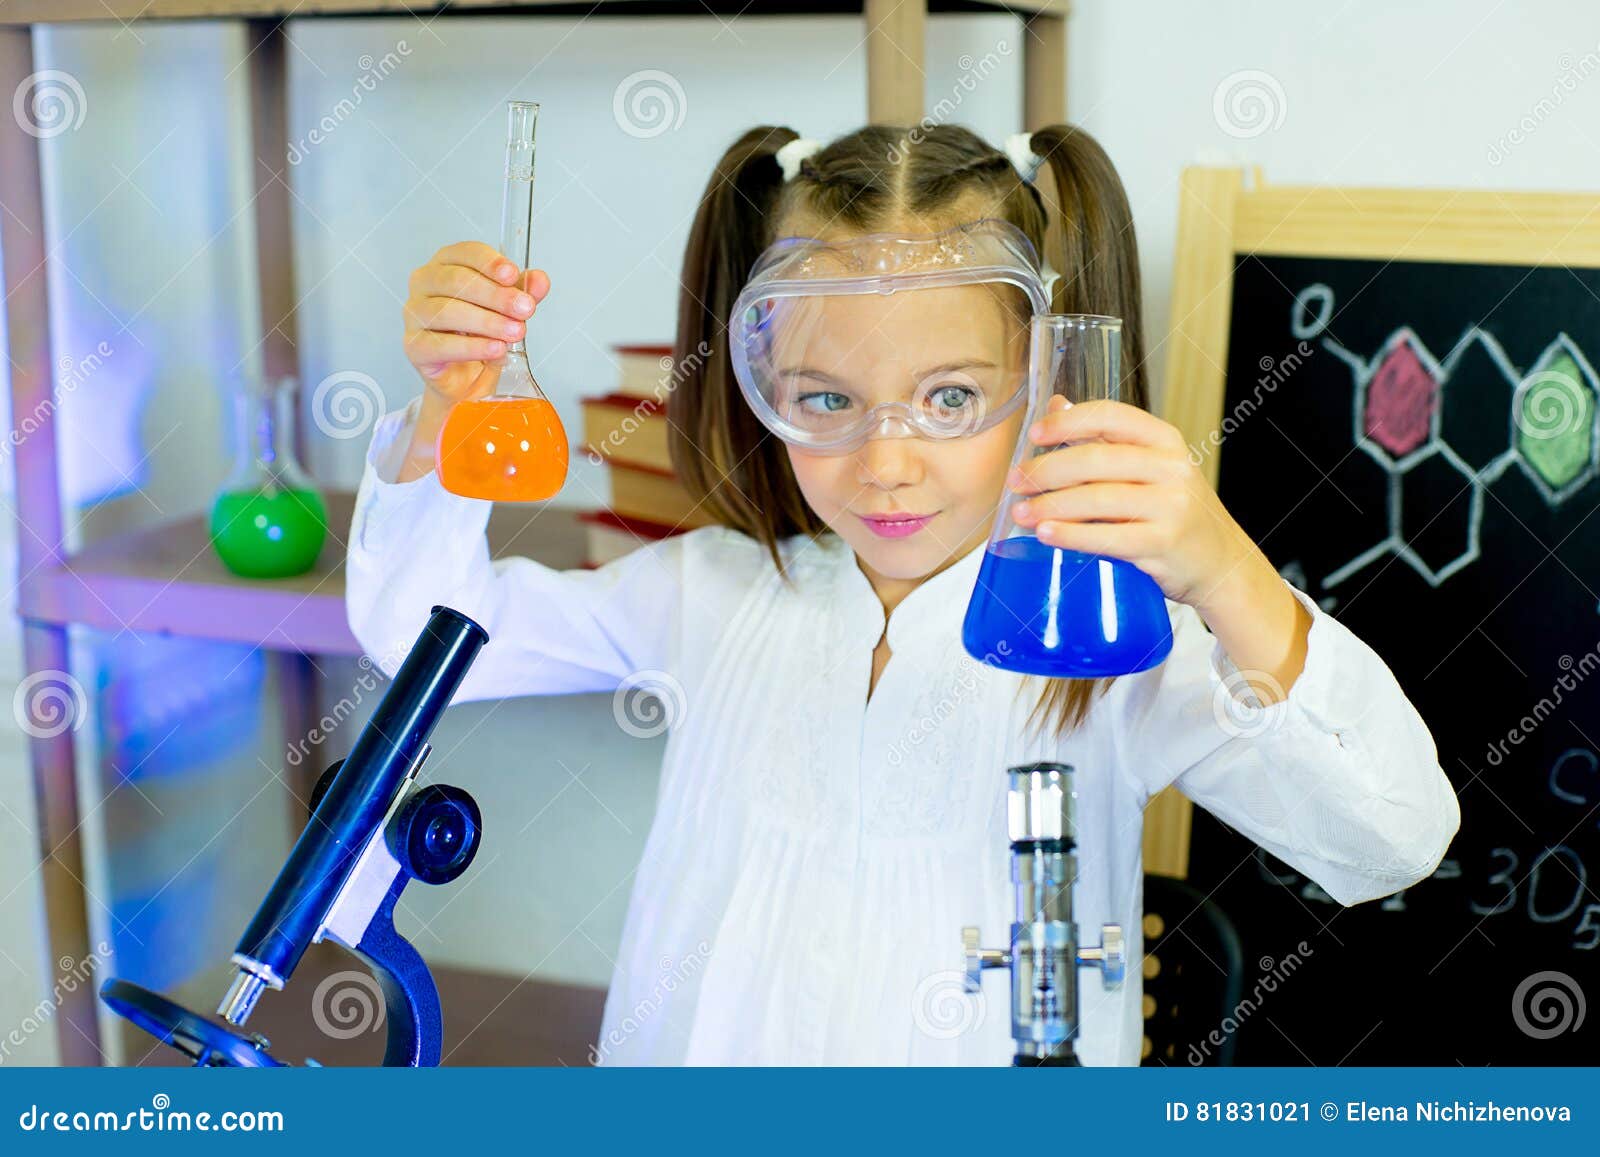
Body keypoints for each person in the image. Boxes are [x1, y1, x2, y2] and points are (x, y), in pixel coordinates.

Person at [346, 123, 1460, 1065]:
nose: (885, 460)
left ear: (1043, 377)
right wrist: (447, 416)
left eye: (950, 396)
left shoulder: (1115, 645)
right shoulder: (714, 593)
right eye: (825, 396)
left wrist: (1223, 568)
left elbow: (1388, 839)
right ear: (760, 385)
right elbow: (419, 639)